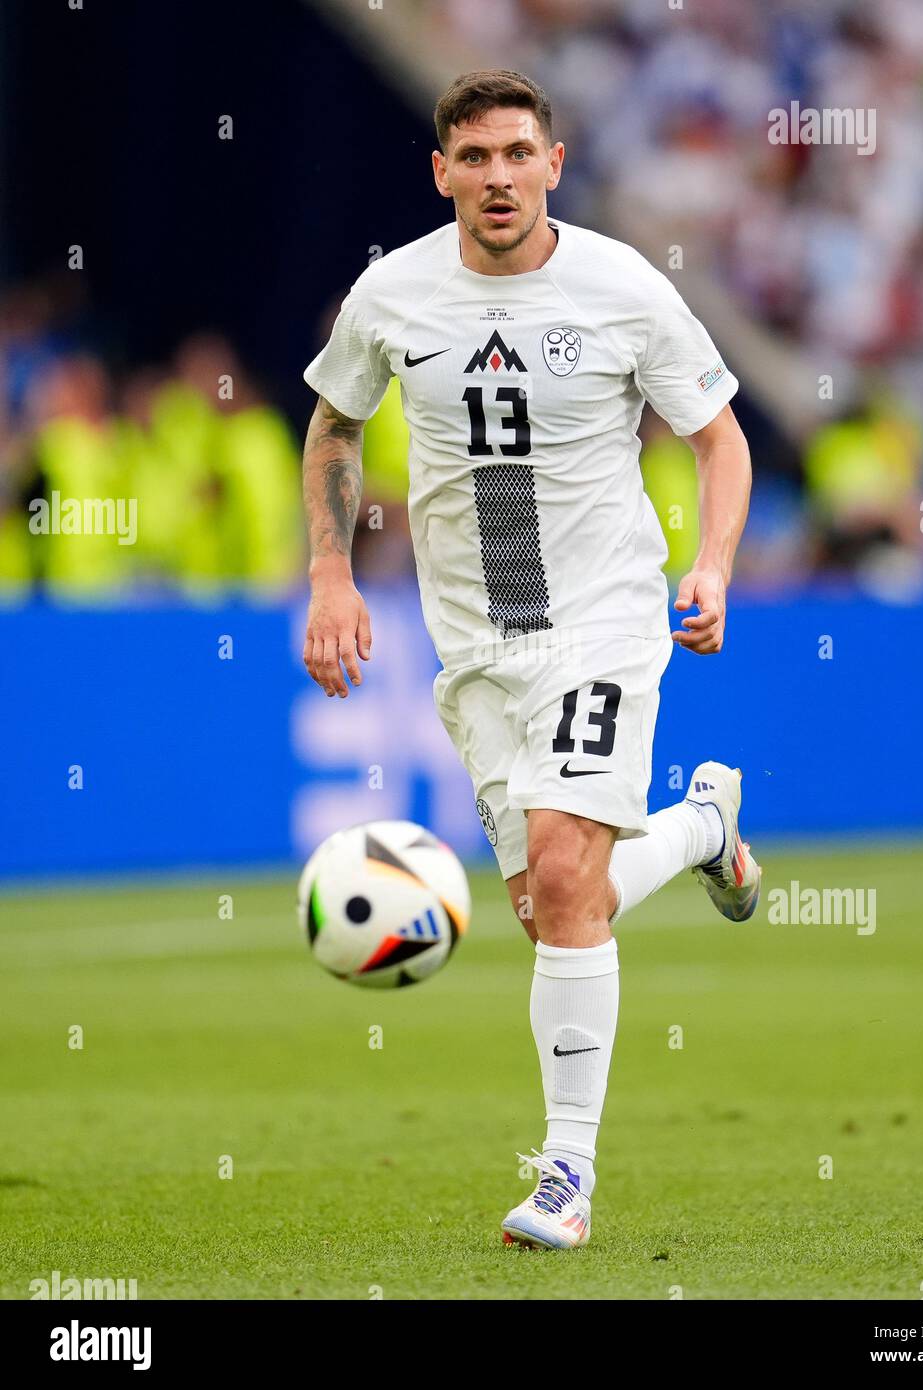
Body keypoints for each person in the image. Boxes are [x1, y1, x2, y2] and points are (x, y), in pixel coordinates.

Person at [300, 69, 761, 1250]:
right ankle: (706, 828)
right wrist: (333, 577)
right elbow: (335, 424)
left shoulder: (620, 287)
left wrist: (708, 565)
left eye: (517, 154)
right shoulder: (391, 292)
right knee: (562, 905)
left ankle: (565, 1174)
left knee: (563, 883)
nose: (496, 177)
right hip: (476, 642)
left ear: (553, 164)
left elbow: (716, 437)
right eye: (473, 156)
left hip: (602, 617)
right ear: (440, 170)